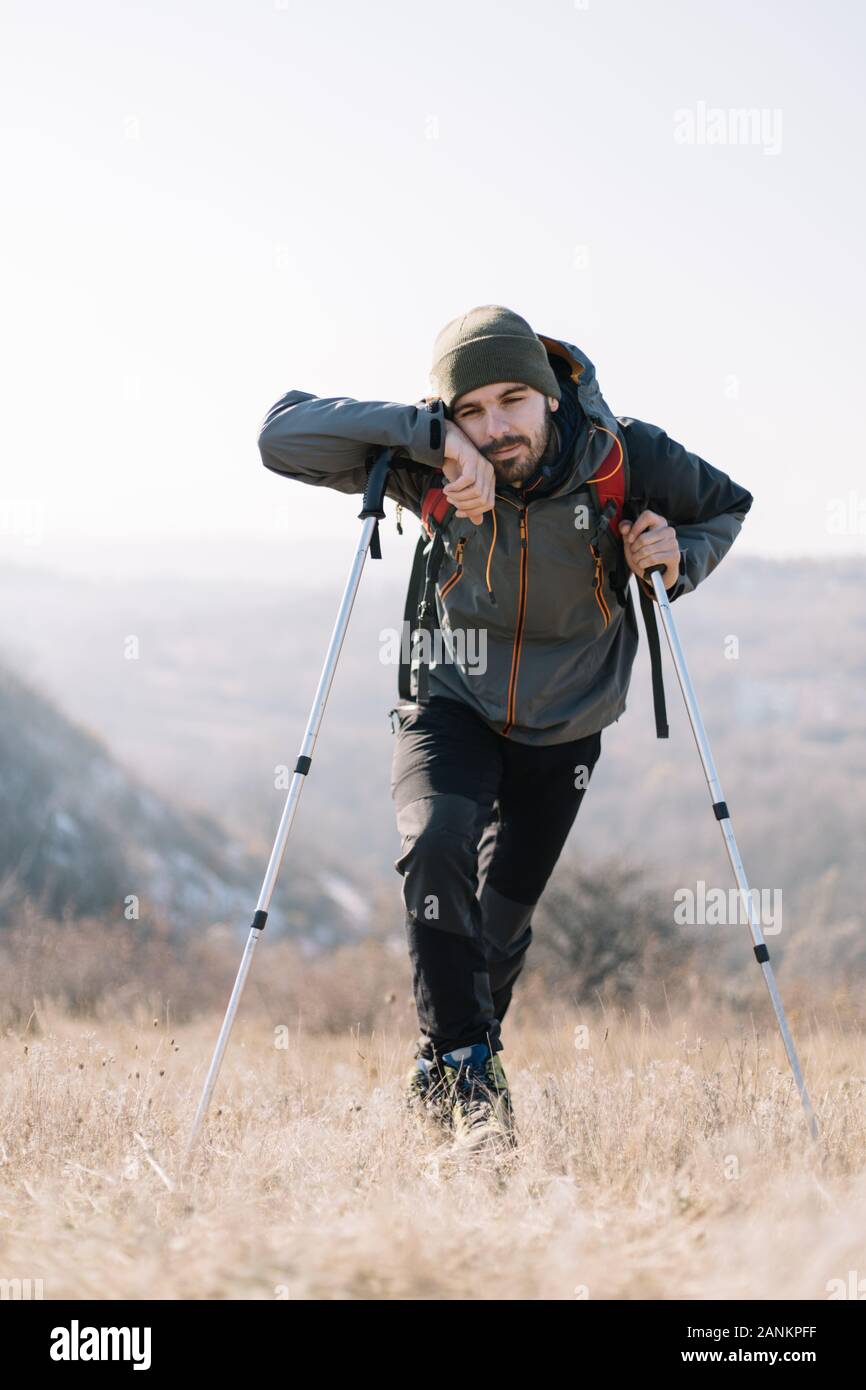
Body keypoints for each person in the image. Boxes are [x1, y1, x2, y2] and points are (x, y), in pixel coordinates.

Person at [257, 305, 753, 1150]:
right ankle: (466, 1069)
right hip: (448, 696)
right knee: (437, 840)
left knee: (503, 917)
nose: (495, 428)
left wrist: (677, 552)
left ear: (551, 395)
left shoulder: (625, 457)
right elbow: (282, 437)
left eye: (513, 400)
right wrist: (432, 438)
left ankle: (449, 1064)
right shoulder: (429, 458)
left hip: (568, 721)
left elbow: (726, 506)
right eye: (472, 409)